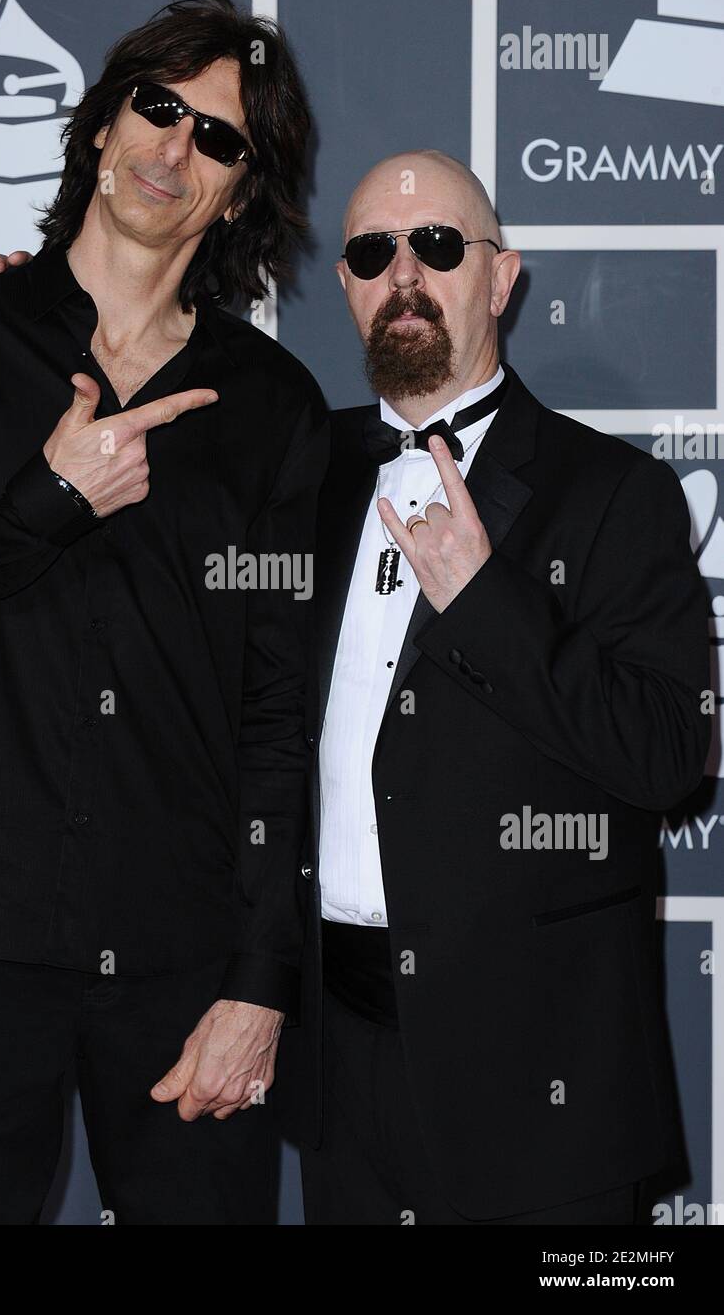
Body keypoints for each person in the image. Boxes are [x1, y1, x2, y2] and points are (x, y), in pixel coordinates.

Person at [0, 0, 328, 1225]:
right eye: (158, 108)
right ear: (99, 126)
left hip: (186, 957)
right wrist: (43, 501)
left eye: (220, 139)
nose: (174, 150)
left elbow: (276, 711)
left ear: (241, 195)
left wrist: (258, 983)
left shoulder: (274, 408)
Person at [271, 149, 711, 1225]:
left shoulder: (615, 493)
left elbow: (665, 758)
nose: (404, 274)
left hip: (541, 1084)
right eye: (373, 252)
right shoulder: (300, 474)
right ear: (345, 285)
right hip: (343, 1064)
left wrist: (484, 600)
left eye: (437, 246)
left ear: (501, 279)